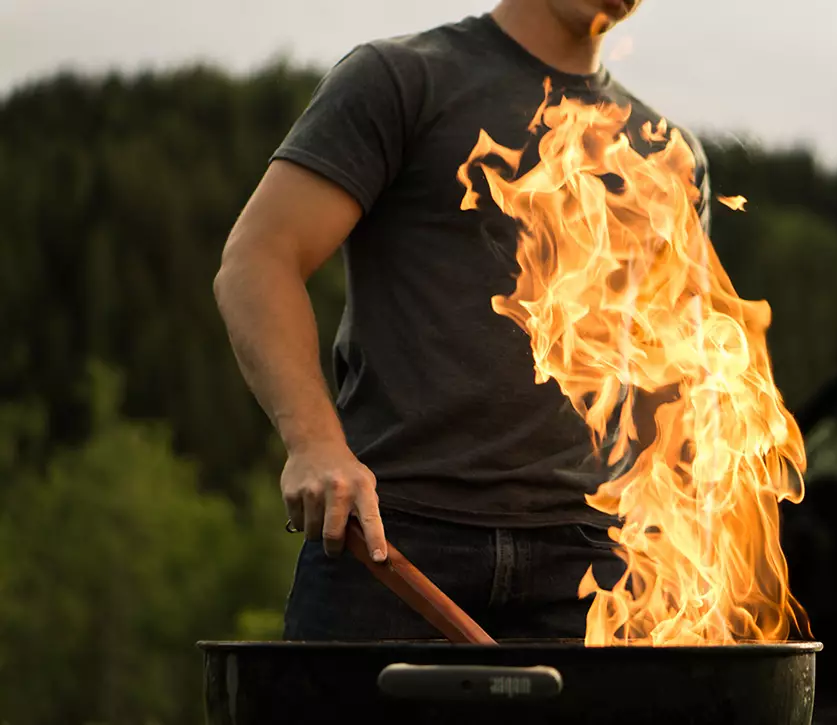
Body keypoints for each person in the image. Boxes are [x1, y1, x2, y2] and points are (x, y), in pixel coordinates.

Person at [213, 0, 712, 641]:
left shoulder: (665, 155)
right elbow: (259, 258)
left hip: (590, 570)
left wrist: (676, 541)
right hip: (393, 544)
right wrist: (314, 445)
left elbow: (668, 373)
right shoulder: (401, 79)